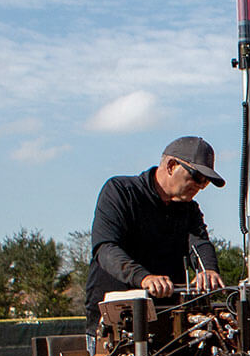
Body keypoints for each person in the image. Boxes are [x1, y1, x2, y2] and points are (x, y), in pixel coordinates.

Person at [84, 136, 228, 345]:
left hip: (167, 324)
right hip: (114, 326)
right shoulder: (121, 192)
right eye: (197, 177)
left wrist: (208, 270)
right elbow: (105, 248)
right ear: (171, 166)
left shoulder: (188, 209)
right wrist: (144, 278)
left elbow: (199, 242)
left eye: (206, 182)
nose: (201, 186)